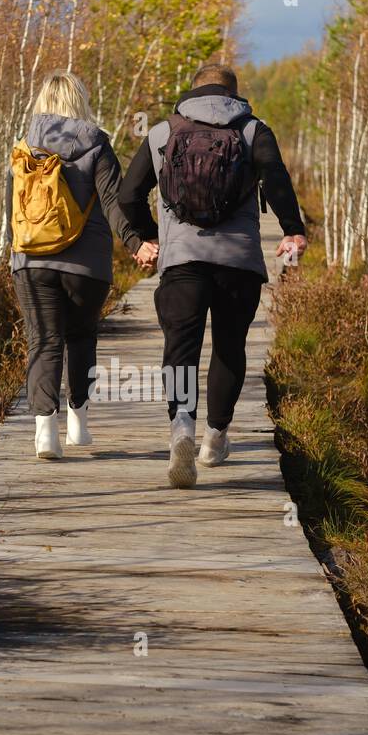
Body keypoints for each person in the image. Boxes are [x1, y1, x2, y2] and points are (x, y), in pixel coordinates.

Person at [120, 62, 307, 488]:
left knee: (180, 347)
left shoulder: (163, 132)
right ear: (234, 94)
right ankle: (214, 437)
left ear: (192, 91)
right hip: (238, 262)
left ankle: (182, 423)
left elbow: (129, 195)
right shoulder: (254, 129)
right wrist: (293, 230)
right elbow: (277, 182)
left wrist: (149, 238)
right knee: (229, 346)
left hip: (182, 261)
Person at [8, 71, 145, 459]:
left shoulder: (23, 148)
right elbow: (115, 201)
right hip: (87, 267)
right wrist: (136, 243)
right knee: (81, 338)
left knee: (44, 341)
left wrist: (17, 257)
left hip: (33, 263)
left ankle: (44, 433)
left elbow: (12, 212)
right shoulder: (97, 144)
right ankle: (78, 425)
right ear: (79, 101)